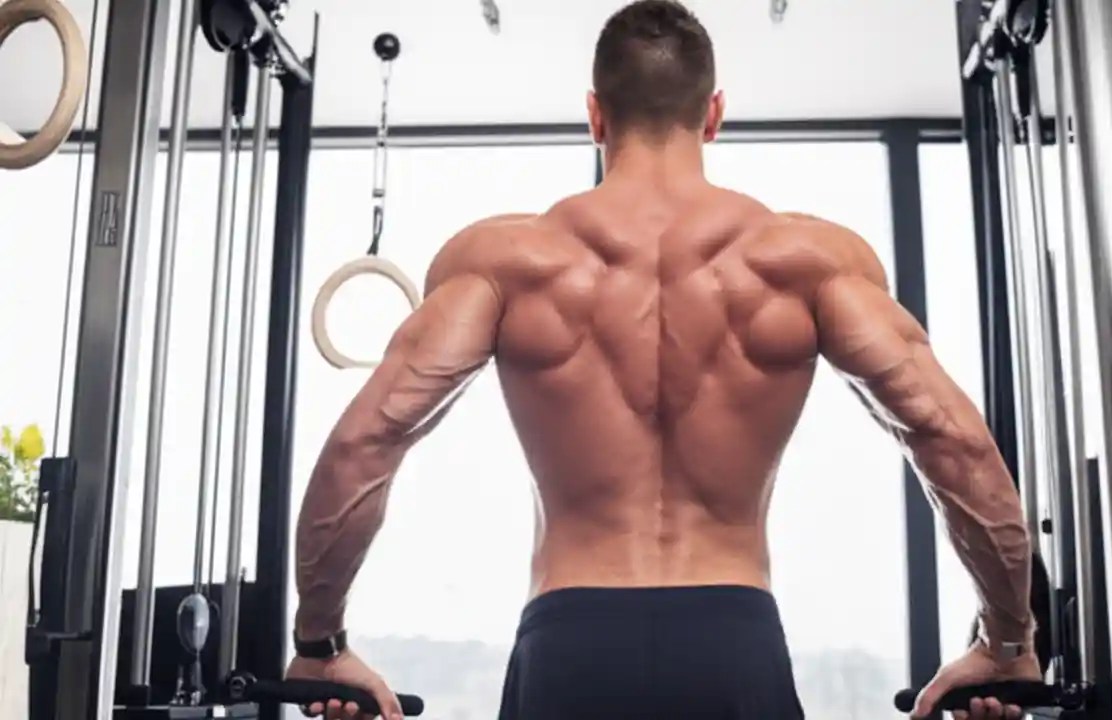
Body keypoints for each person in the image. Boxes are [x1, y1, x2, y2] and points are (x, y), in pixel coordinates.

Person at [283, 1, 1042, 718]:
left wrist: (320, 646)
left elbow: (366, 441)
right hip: (732, 640)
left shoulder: (508, 262)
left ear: (595, 114)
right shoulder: (806, 262)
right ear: (714, 114)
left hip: (569, 643)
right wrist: (1007, 643)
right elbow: (951, 439)